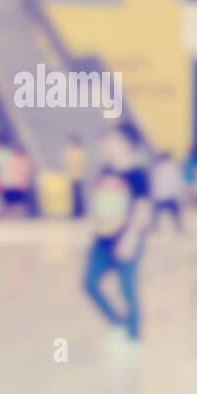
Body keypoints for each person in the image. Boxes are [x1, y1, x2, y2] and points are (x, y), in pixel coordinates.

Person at [83, 123, 152, 345]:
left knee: (126, 288)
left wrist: (130, 239)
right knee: (89, 284)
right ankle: (117, 323)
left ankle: (133, 337)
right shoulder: (106, 169)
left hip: (127, 239)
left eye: (115, 140)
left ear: (128, 144)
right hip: (102, 239)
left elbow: (143, 211)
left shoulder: (137, 174)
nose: (109, 145)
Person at [150, 151, 183, 233]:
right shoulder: (172, 167)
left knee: (156, 213)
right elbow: (175, 182)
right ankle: (179, 228)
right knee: (176, 213)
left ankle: (154, 227)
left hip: (159, 195)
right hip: (170, 195)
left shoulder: (157, 168)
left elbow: (153, 182)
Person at [64, 135, 86, 218]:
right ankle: (76, 212)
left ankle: (79, 212)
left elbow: (73, 163)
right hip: (72, 176)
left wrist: (68, 155)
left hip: (77, 176)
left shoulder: (77, 152)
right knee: (73, 195)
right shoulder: (71, 152)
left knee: (77, 196)